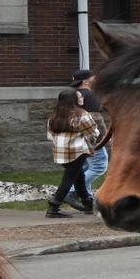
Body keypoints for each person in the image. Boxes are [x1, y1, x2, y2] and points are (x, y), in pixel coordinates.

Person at [43, 89, 99, 218]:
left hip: (60, 152)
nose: (82, 99)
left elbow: (50, 136)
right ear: (73, 100)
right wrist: (93, 141)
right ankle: (54, 207)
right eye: (79, 97)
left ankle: (87, 204)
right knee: (68, 179)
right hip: (78, 151)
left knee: (79, 178)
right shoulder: (82, 115)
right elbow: (93, 133)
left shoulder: (53, 116)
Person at [71, 69, 109, 204]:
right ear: (86, 81)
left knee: (86, 167)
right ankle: (72, 191)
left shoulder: (73, 95)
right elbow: (96, 118)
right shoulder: (88, 94)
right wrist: (103, 138)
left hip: (77, 136)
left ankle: (85, 197)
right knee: (99, 166)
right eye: (93, 78)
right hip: (91, 137)